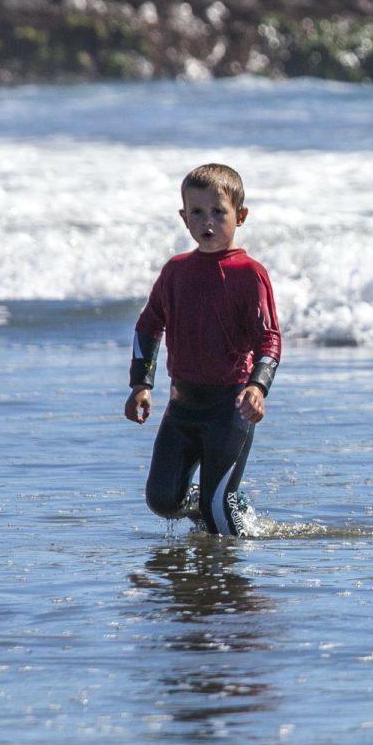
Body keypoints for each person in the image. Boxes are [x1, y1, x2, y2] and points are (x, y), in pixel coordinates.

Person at [123, 163, 281, 535]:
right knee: (162, 499)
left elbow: (269, 339)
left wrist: (257, 388)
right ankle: (213, 504)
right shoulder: (175, 271)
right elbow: (148, 326)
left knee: (219, 516)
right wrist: (141, 385)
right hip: (183, 406)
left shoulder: (248, 273)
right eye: (197, 212)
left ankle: (234, 584)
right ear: (184, 218)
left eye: (218, 212)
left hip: (230, 408)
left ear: (240, 216)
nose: (207, 222)